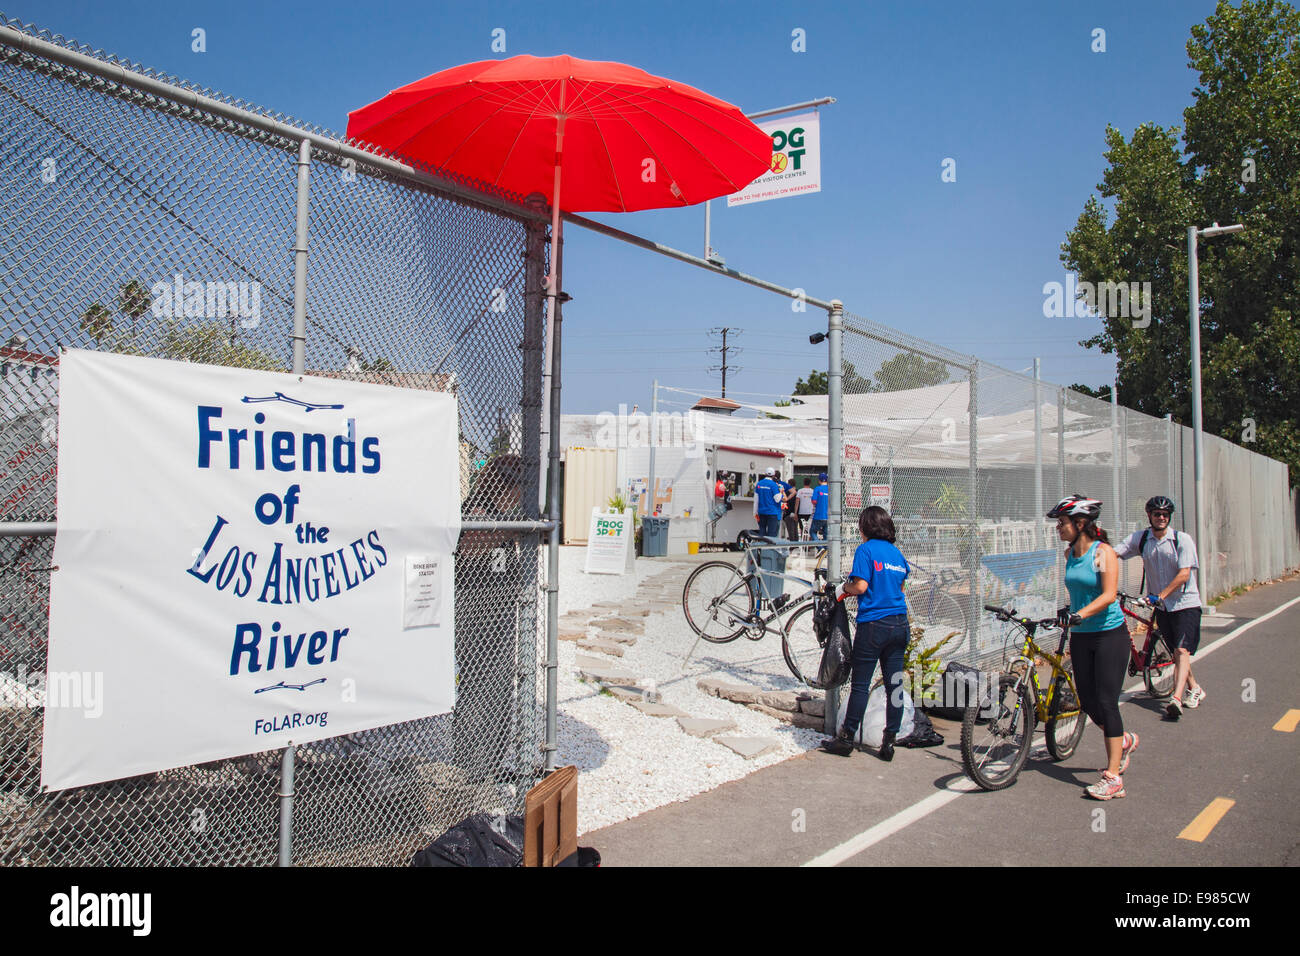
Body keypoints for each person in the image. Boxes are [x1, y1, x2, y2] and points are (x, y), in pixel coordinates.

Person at [1048, 494, 1136, 801]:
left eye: (1062, 522)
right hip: (1081, 635)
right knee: (1087, 702)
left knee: (1107, 701)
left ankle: (1113, 778)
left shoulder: (1104, 553)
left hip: (1109, 635)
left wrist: (1079, 614)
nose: (1058, 527)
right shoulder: (1070, 552)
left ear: (1080, 523)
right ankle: (1123, 740)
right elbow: (1079, 592)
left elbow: (1109, 595)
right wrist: (1068, 610)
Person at [821, 506, 911, 761]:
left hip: (874, 625)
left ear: (865, 527)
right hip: (899, 624)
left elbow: (860, 586)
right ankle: (889, 742)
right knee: (895, 684)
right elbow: (900, 588)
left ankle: (846, 738)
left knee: (861, 684)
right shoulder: (897, 554)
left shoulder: (866, 550)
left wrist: (841, 589)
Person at [1114, 495, 1205, 719]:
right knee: (1177, 651)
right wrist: (1094, 556)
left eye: (1165, 515)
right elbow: (1117, 551)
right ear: (1150, 516)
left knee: (1182, 650)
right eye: (1157, 514)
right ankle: (1195, 689)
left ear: (1169, 517)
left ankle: (1176, 698)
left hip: (1186, 603)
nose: (1162, 518)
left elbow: (1184, 574)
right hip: (1164, 608)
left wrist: (1159, 596)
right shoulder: (1142, 539)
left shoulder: (1181, 540)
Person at [752, 466, 784, 537]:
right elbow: (777, 499)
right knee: (771, 535)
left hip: (762, 512)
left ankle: (761, 547)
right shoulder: (773, 485)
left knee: (762, 532)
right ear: (773, 475)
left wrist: (755, 513)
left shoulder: (759, 484)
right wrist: (781, 492)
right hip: (772, 512)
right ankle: (769, 548)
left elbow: (756, 500)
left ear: (765, 474)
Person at [809, 473, 829, 543]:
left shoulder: (817, 489)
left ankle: (820, 548)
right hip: (829, 516)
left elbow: (814, 501)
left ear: (819, 480)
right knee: (826, 534)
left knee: (812, 532)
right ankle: (826, 550)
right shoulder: (831, 489)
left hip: (819, 515)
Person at [781, 474, 800, 541]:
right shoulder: (798, 492)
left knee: (790, 530)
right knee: (795, 530)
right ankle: (796, 543)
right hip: (796, 514)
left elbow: (785, 502)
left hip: (788, 513)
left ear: (789, 484)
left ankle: (792, 544)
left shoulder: (787, 493)